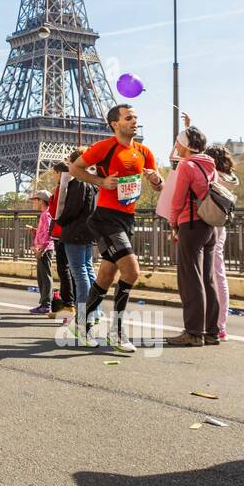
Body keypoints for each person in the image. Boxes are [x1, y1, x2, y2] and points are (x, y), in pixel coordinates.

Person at [70, 104, 163, 353]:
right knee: (132, 272)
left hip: (127, 219)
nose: (134, 121)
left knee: (106, 276)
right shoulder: (105, 147)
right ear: (115, 124)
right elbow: (74, 168)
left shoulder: (144, 151)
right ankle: (117, 331)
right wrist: (101, 181)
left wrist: (156, 180)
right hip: (105, 218)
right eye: (129, 118)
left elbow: (158, 185)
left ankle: (80, 324)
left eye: (136, 117)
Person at [165, 127, 221, 347]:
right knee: (208, 279)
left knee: (190, 278)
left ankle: (193, 332)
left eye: (178, 142)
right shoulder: (210, 166)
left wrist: (172, 222)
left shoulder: (187, 166)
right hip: (209, 227)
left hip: (190, 224)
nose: (176, 146)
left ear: (185, 145)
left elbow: (178, 199)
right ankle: (211, 331)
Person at [55, 149, 100, 346]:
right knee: (88, 271)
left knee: (79, 274)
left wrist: (60, 220)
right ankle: (94, 313)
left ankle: (83, 317)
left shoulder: (78, 183)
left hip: (74, 233)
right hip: (88, 232)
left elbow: (71, 209)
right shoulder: (92, 183)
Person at [205, 144, 239, 341]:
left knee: (210, 274)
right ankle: (221, 324)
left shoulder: (213, 177)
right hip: (222, 227)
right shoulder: (230, 178)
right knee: (219, 274)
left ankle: (214, 324)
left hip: (210, 223)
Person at [47, 163, 75, 318]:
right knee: (73, 269)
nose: (53, 176)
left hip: (60, 232)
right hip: (71, 231)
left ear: (59, 173)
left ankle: (68, 305)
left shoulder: (61, 188)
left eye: (54, 173)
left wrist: (52, 197)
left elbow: (53, 211)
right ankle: (72, 305)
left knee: (63, 270)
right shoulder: (73, 186)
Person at [28, 192, 54, 314]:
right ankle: (45, 303)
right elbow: (45, 232)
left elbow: (49, 233)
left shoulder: (46, 214)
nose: (33, 203)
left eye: (35, 200)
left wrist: (42, 249)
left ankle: (46, 304)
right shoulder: (45, 214)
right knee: (42, 277)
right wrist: (34, 231)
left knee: (45, 277)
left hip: (44, 250)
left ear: (41, 201)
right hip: (43, 249)